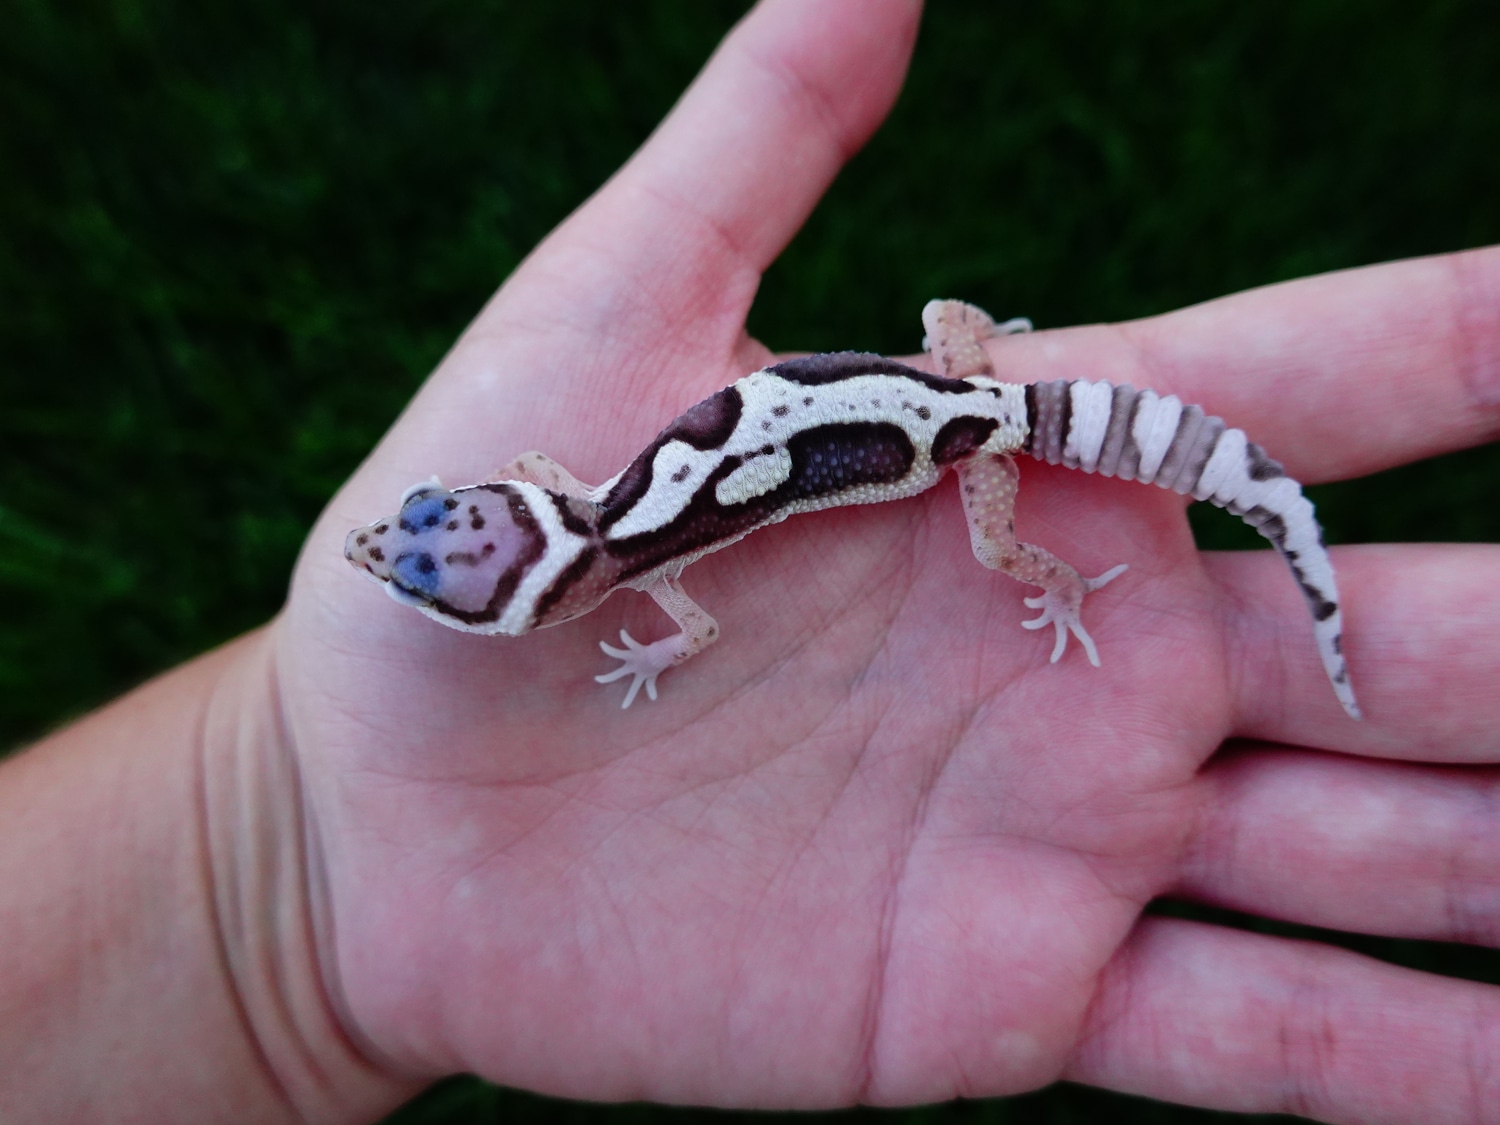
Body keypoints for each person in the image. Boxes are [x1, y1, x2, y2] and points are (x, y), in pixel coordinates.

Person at [3, 0, 1497, 1120]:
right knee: (967, 336)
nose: (398, 557)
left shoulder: (637, 570)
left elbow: (693, 634)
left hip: (962, 444)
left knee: (1013, 557)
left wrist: (666, 646)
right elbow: (535, 481)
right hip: (953, 371)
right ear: (529, 549)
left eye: (420, 555)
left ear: (544, 590)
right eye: (424, 559)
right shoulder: (582, 501)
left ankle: (1127, 558)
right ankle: (1175, 469)